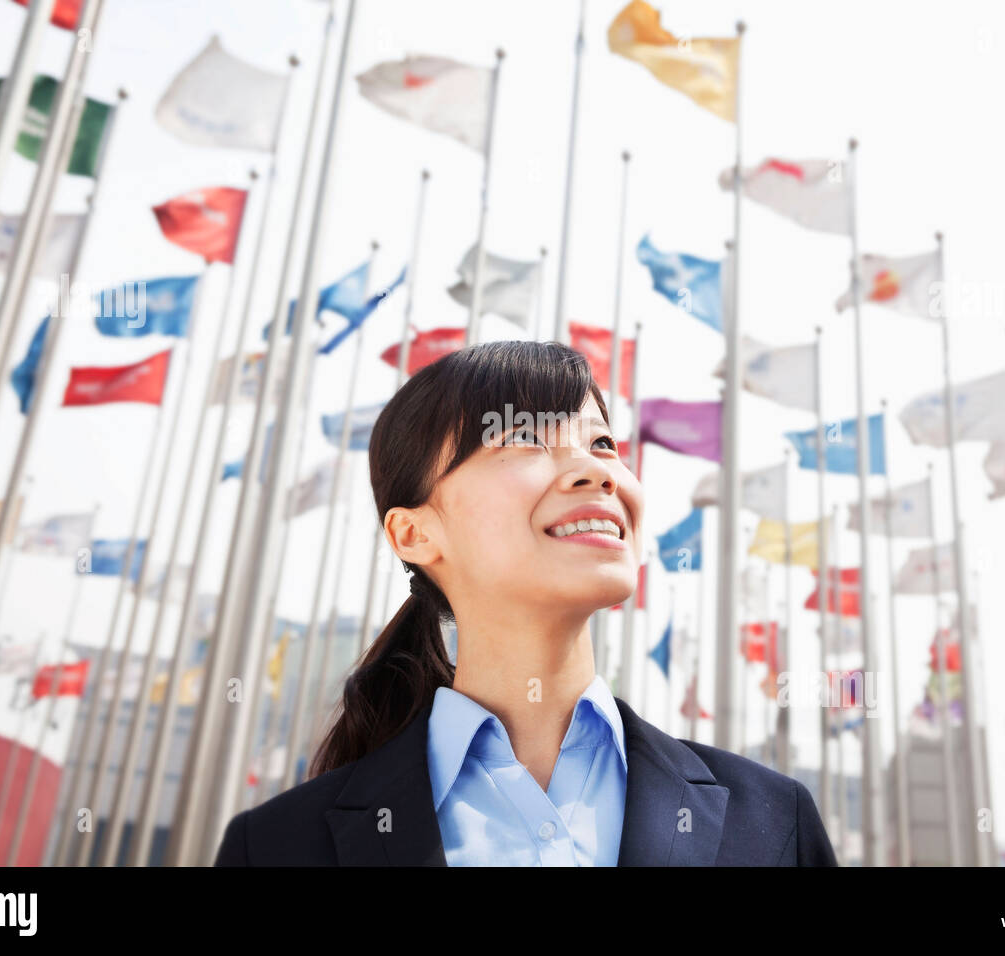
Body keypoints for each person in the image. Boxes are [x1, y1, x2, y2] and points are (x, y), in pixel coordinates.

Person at [214, 340, 836, 866]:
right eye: (522, 439)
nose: (596, 473)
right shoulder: (276, 846)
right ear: (415, 533)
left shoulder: (775, 823)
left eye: (601, 445)